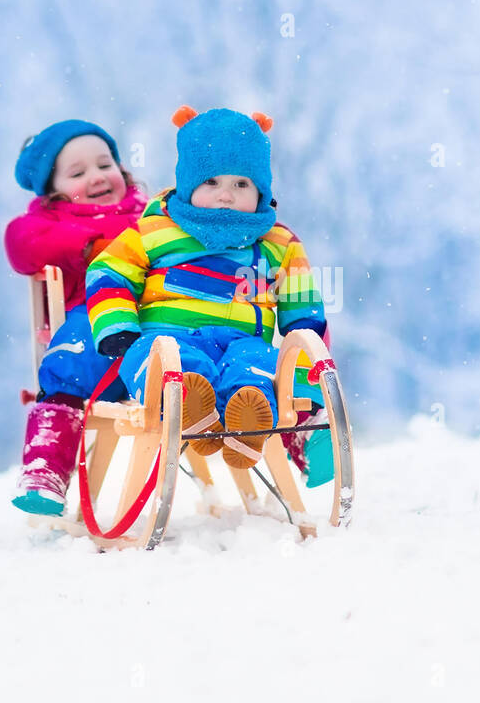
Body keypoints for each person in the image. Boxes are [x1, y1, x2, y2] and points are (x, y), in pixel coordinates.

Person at [85, 105, 328, 471]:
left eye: (241, 184)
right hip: (167, 338)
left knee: (259, 365)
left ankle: (248, 420)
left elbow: (303, 308)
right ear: (188, 184)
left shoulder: (278, 243)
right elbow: (109, 271)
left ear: (260, 190)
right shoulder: (155, 230)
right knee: (156, 359)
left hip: (243, 341)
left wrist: (303, 360)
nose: (225, 196)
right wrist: (117, 326)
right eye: (211, 182)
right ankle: (186, 400)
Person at [4, 119, 147, 515]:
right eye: (77, 173)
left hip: (158, 322)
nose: (97, 177)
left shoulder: (151, 215)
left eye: (105, 164)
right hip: (94, 331)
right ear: (53, 191)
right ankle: (46, 468)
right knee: (68, 361)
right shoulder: (50, 223)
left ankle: (290, 432)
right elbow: (22, 242)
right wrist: (87, 243)